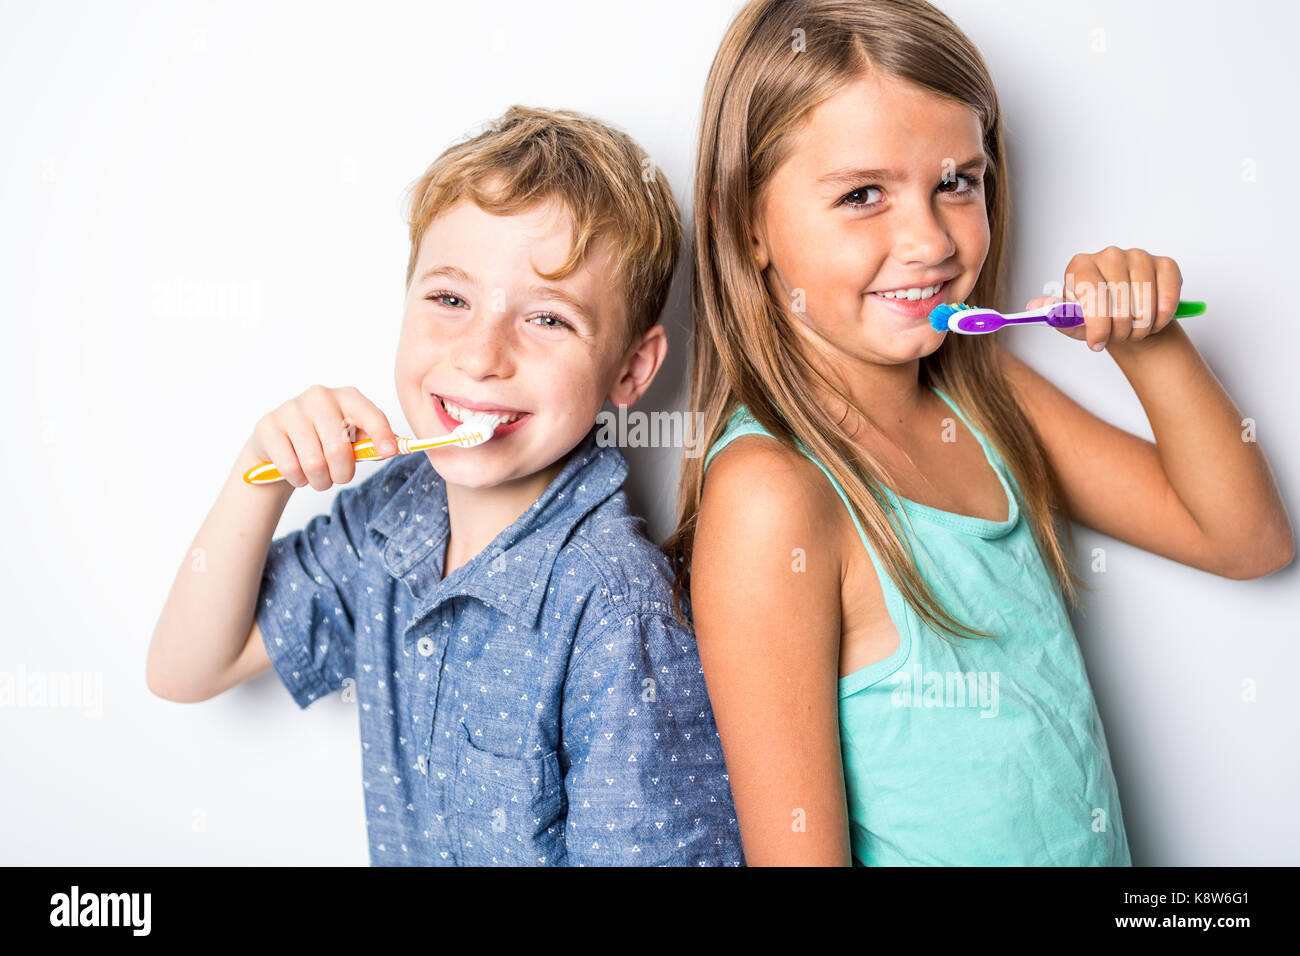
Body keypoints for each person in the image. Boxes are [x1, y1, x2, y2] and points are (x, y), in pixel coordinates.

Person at [664, 0, 1293, 865]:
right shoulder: (773, 495)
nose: (928, 239)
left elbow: (1246, 539)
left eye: (957, 181)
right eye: (861, 195)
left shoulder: (985, 395)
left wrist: (1148, 344)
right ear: (748, 226)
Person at [148, 105, 742, 867]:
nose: (481, 355)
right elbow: (185, 668)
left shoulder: (616, 613)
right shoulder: (388, 519)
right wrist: (261, 472)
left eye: (549, 320)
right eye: (451, 300)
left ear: (630, 369)